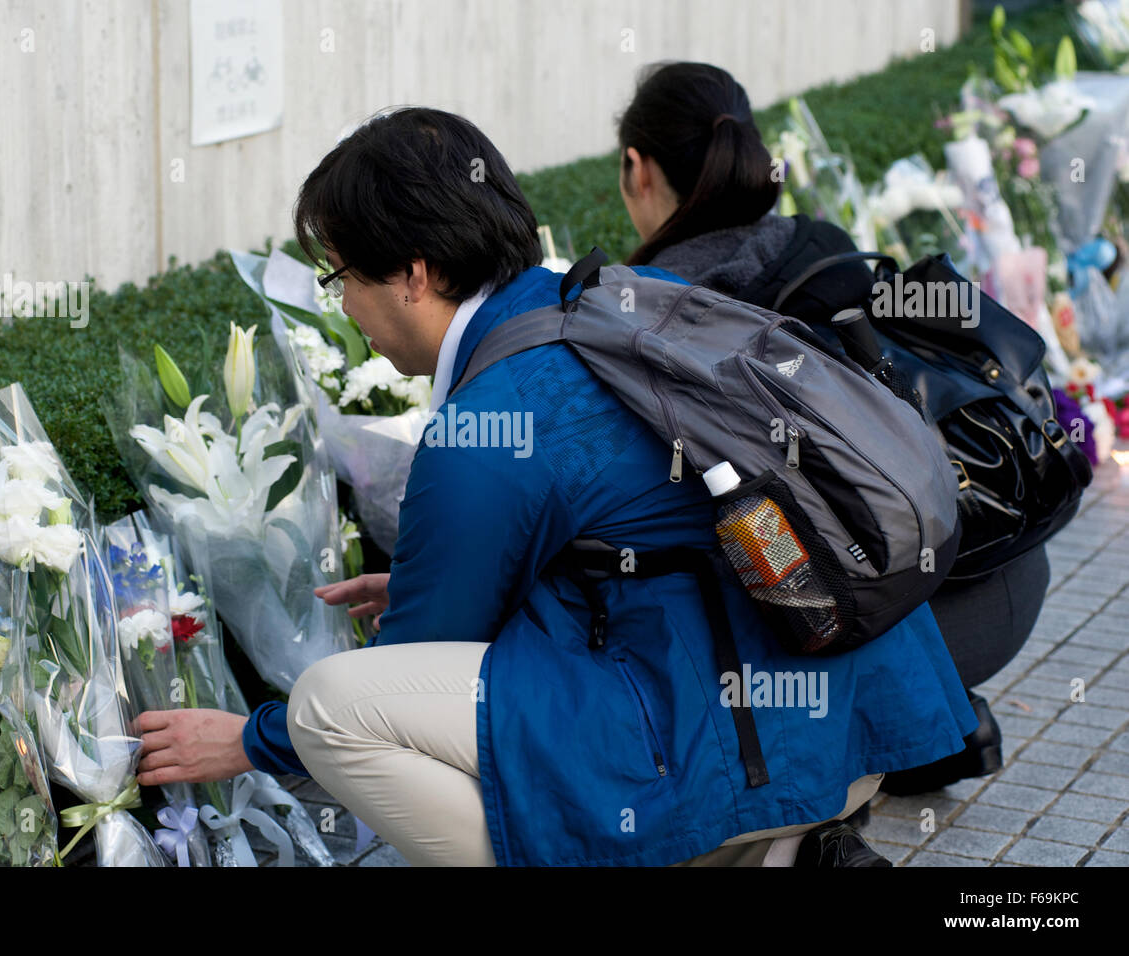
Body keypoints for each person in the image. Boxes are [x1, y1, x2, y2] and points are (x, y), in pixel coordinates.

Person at [135, 106, 978, 866]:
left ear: (413, 276)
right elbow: (645, 531)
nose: (344, 305)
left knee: (330, 708)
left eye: (341, 276)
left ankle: (730, 852)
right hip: (857, 718)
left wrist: (250, 739)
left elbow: (417, 659)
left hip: (759, 753)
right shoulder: (619, 299)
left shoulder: (486, 424)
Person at [615, 60, 1051, 794]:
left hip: (889, 626)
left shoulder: (669, 312)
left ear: (637, 167)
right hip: (1008, 571)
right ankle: (925, 723)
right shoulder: (821, 243)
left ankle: (860, 749)